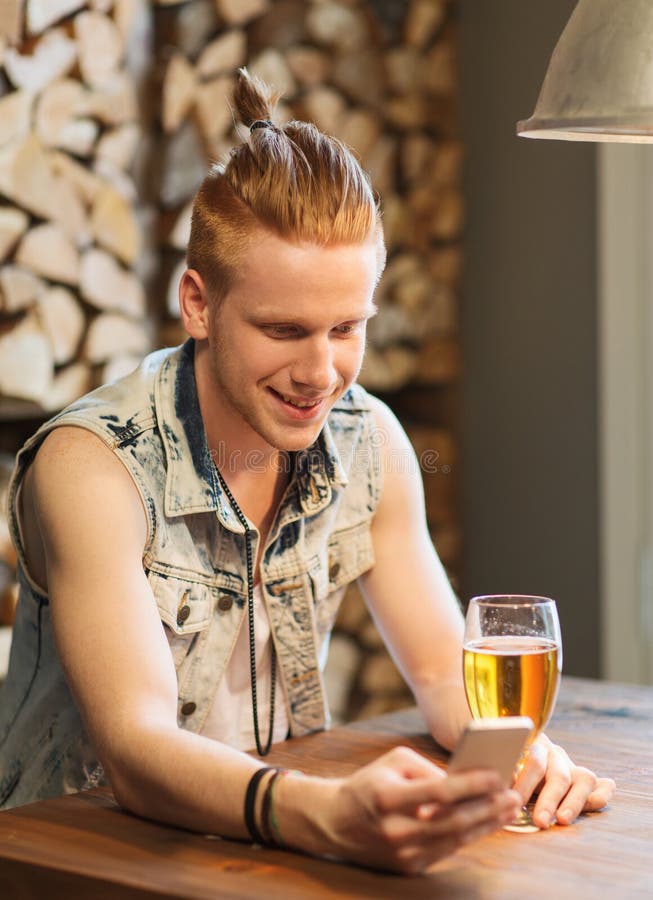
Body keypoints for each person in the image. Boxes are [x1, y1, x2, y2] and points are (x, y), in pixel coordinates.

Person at [0, 70, 614, 874]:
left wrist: (518, 756)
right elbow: (136, 744)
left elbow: (438, 668)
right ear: (197, 302)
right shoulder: (91, 466)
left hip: (254, 857)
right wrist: (321, 811)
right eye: (284, 329)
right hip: (72, 868)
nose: (321, 372)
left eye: (346, 327)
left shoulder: (370, 441)